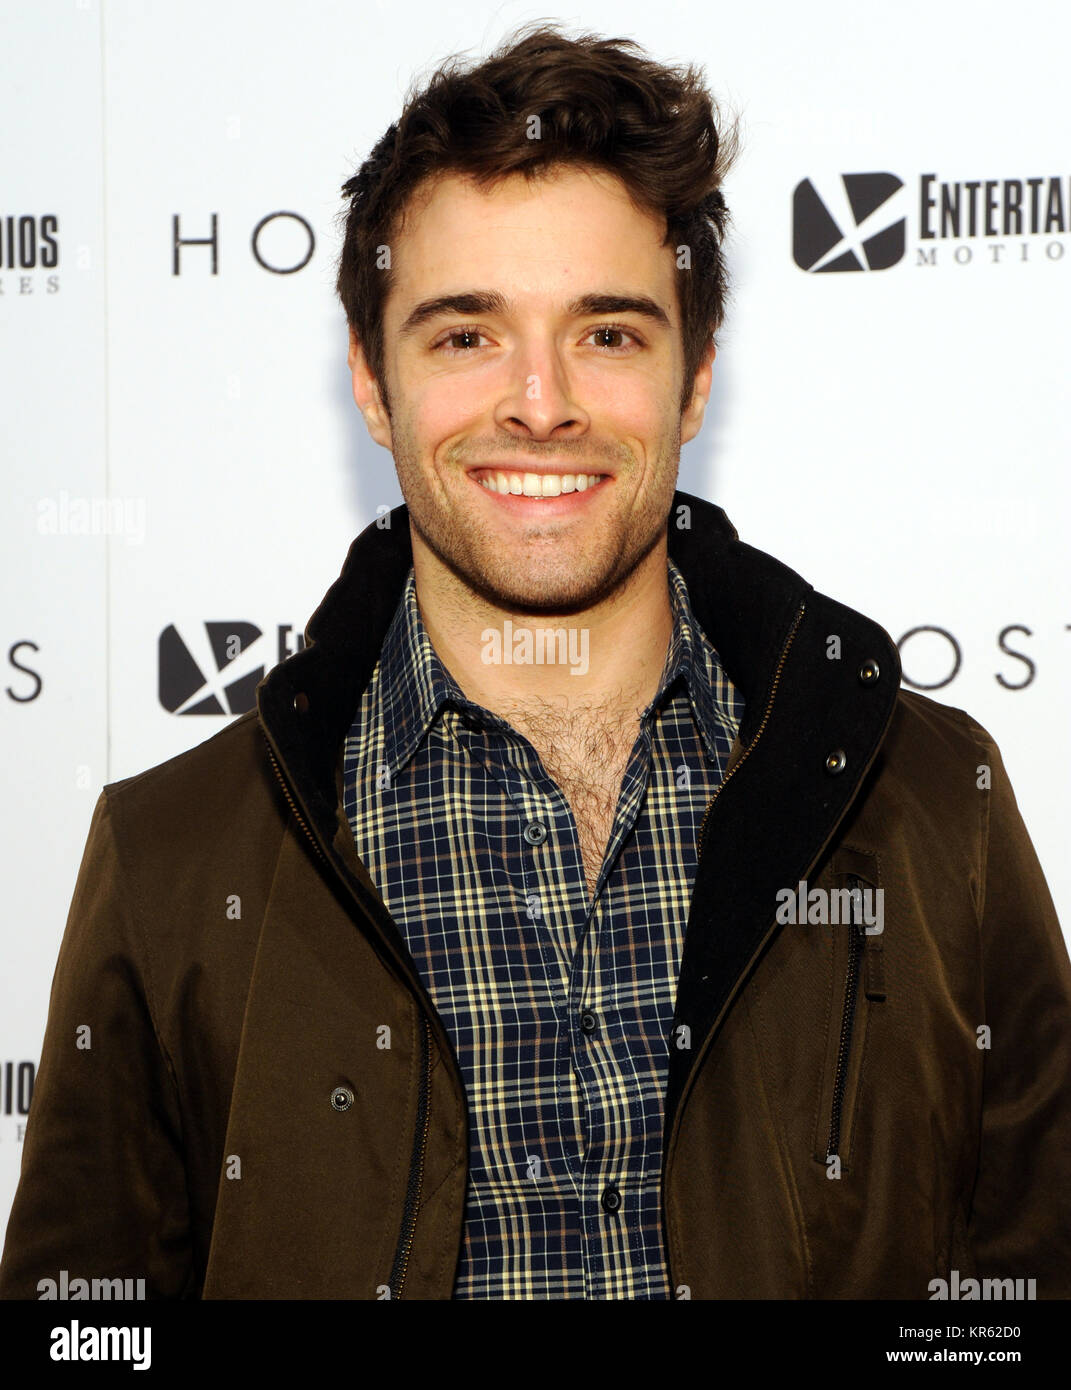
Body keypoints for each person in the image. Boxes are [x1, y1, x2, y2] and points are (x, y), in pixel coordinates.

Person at [2, 21, 1069, 1302]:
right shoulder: (173, 857)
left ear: (694, 380)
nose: (540, 400)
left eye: (608, 333)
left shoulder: (927, 803)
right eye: (466, 336)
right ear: (372, 382)